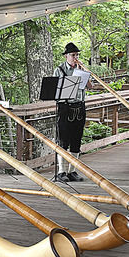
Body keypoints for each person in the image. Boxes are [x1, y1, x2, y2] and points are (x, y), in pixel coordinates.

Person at [53, 42, 92, 182]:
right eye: (73, 55)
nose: (75, 57)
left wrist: (85, 73)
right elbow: (54, 90)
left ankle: (72, 171)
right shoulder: (59, 70)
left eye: (77, 55)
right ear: (66, 56)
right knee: (63, 140)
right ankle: (61, 171)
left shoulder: (82, 70)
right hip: (65, 107)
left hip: (79, 106)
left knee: (77, 139)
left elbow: (90, 86)